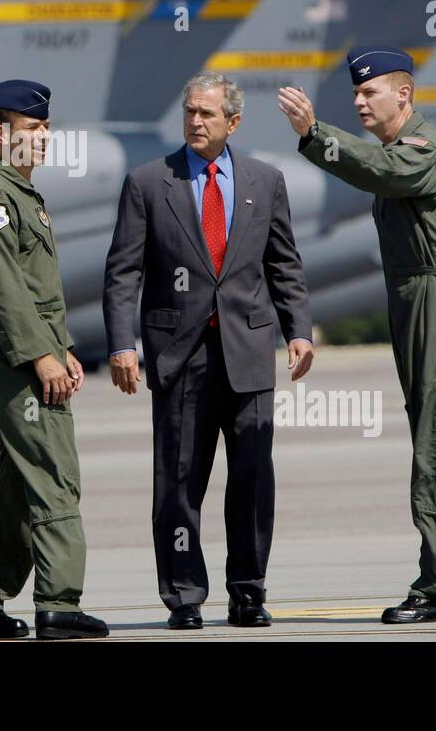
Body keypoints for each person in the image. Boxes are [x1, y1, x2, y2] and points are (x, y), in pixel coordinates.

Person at [278, 46, 436, 623]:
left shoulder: (420, 151)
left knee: (434, 447)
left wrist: (315, 135)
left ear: (403, 95)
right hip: (420, 303)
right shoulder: (401, 149)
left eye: (368, 92)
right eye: (355, 93)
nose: (358, 101)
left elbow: (382, 171)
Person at [103, 71, 313, 629]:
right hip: (179, 354)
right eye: (190, 112)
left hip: (247, 350)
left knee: (251, 478)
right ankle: (184, 595)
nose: (196, 121)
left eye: (208, 114)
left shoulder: (265, 181)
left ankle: (248, 591)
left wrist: (299, 330)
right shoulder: (149, 182)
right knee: (177, 481)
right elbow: (122, 271)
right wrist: (123, 343)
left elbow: (283, 264)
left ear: (233, 122)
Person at [0, 79, 109, 641]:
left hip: (40, 356)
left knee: (21, 485)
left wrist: (62, 349)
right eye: (32, 129)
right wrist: (42, 357)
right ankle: (59, 604)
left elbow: (36, 291)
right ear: (2, 133)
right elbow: (4, 292)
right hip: (20, 366)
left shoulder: (23, 197)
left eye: (46, 129)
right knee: (53, 477)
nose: (44, 138)